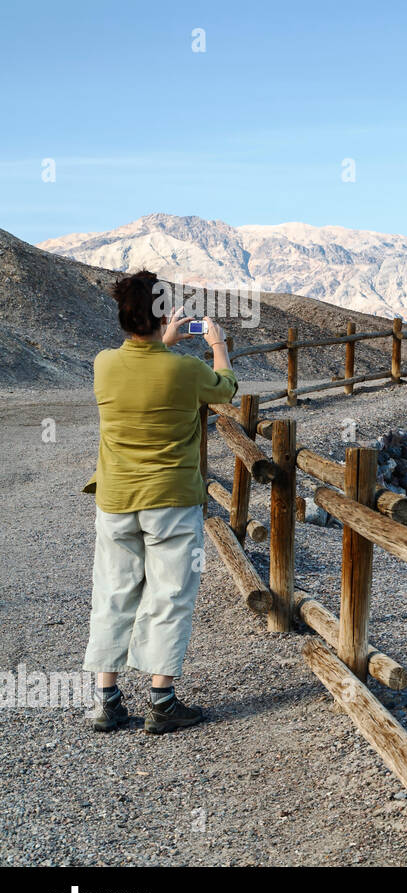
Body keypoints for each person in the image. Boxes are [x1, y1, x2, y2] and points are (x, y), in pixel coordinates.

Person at [82, 271, 238, 733]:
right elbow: (225, 390)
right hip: (171, 498)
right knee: (169, 595)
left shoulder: (103, 364)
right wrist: (217, 345)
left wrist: (159, 341)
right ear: (159, 315)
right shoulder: (186, 370)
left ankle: (107, 700)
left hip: (115, 498)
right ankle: (162, 701)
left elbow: (144, 369)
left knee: (112, 591)